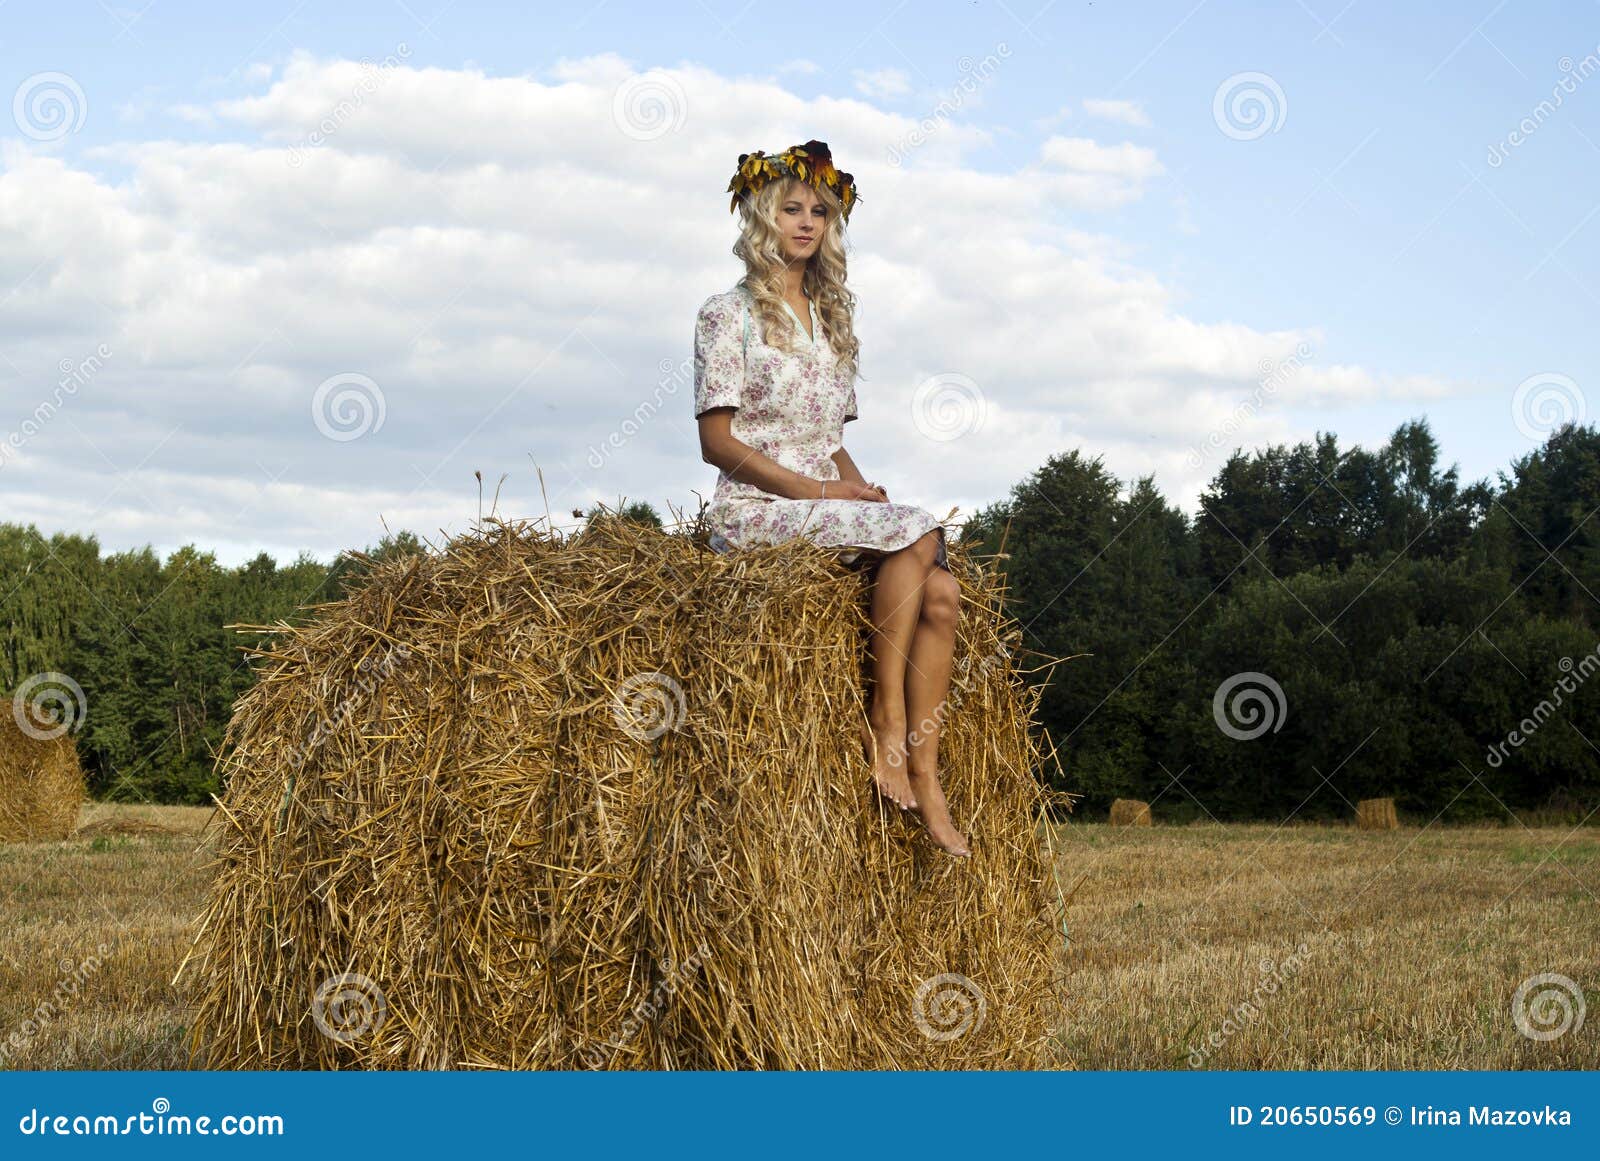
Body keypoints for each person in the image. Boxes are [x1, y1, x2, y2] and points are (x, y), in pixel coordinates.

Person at [692, 139, 970, 858]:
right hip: (755, 509)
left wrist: (859, 491)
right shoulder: (726, 315)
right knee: (918, 531)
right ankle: (886, 725)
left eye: (820, 212)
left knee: (941, 592)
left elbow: (829, 443)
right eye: (792, 209)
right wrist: (822, 492)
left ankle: (927, 773)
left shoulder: (833, 320)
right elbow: (717, 442)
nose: (807, 223)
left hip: (820, 500)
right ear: (762, 215)